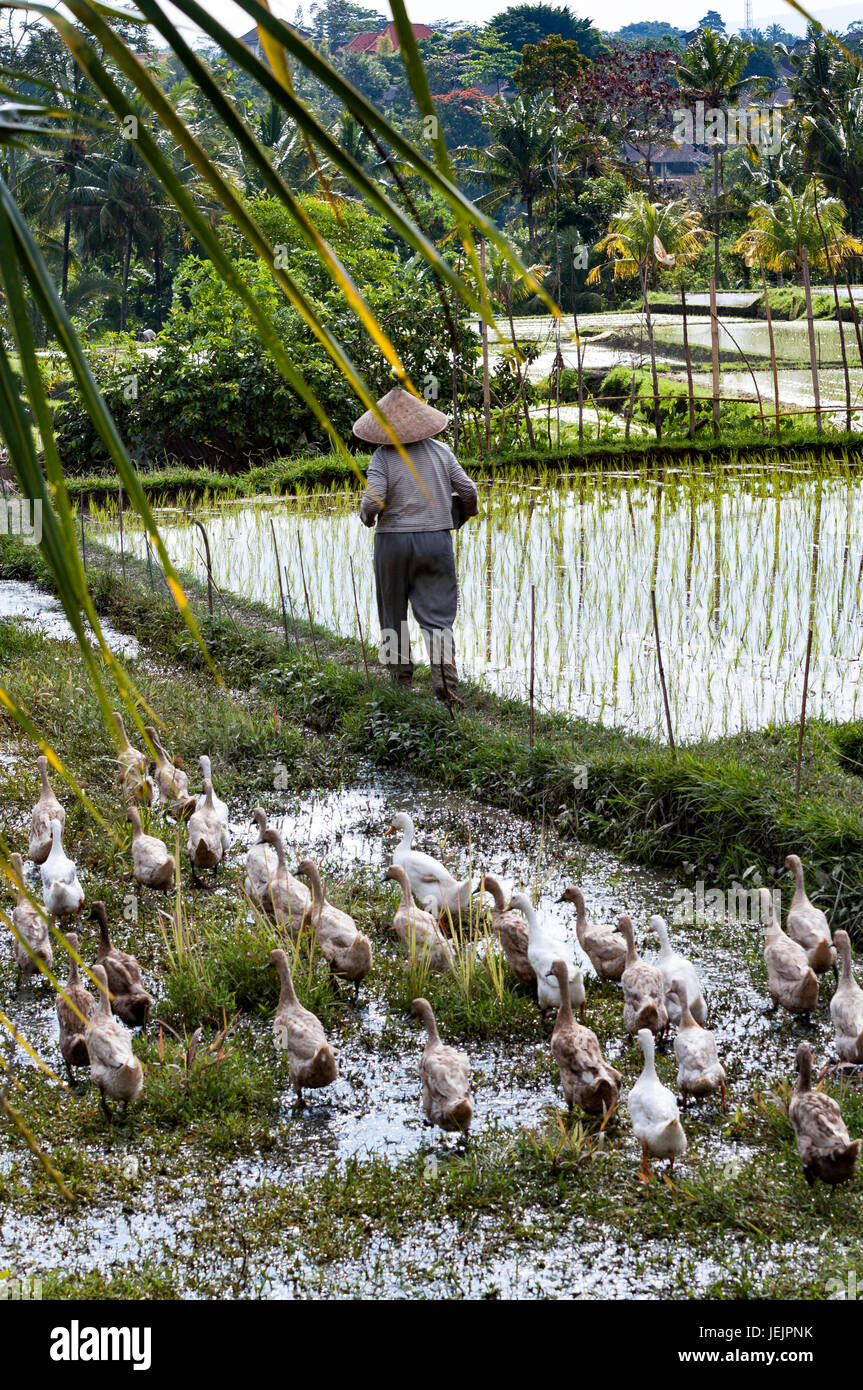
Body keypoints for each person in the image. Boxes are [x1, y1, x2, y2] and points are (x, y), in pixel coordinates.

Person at [354, 387, 478, 702]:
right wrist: (460, 517)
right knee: (437, 615)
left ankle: (400, 681)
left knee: (392, 612)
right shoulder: (441, 451)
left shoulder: (383, 456)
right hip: (436, 540)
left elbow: (374, 500)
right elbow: (468, 489)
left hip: (392, 543)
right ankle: (445, 683)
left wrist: (367, 516)